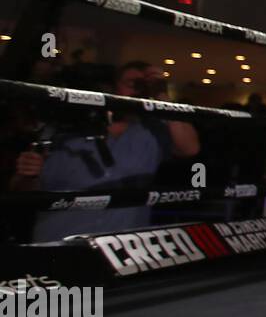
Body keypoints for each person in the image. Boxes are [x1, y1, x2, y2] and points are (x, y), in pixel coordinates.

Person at [9, 61, 201, 242]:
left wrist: (161, 95)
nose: (138, 89)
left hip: (123, 246)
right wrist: (28, 174)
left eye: (144, 85)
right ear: (112, 87)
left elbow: (190, 148)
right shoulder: (65, 127)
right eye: (132, 83)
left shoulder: (152, 131)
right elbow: (23, 190)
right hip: (60, 238)